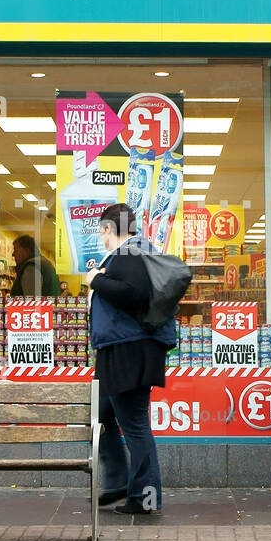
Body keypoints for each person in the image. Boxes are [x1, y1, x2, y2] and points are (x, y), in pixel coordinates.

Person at [86, 204, 176, 515]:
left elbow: (133, 293)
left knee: (135, 424)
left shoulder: (131, 253)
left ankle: (144, 497)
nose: (102, 239)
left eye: (102, 233)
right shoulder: (135, 252)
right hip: (120, 350)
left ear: (109, 230)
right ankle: (120, 482)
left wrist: (96, 280)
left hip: (129, 352)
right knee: (100, 413)